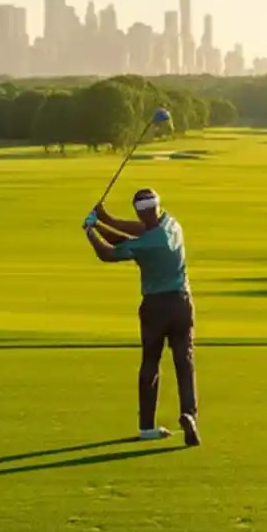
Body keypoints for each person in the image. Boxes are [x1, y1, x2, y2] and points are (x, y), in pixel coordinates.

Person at [84, 188, 201, 447]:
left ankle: (147, 427)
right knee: (185, 361)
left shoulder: (147, 244)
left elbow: (109, 252)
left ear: (140, 211)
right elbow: (138, 231)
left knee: (150, 362)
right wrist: (106, 219)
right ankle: (190, 415)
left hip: (156, 308)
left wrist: (91, 231)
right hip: (182, 304)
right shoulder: (172, 224)